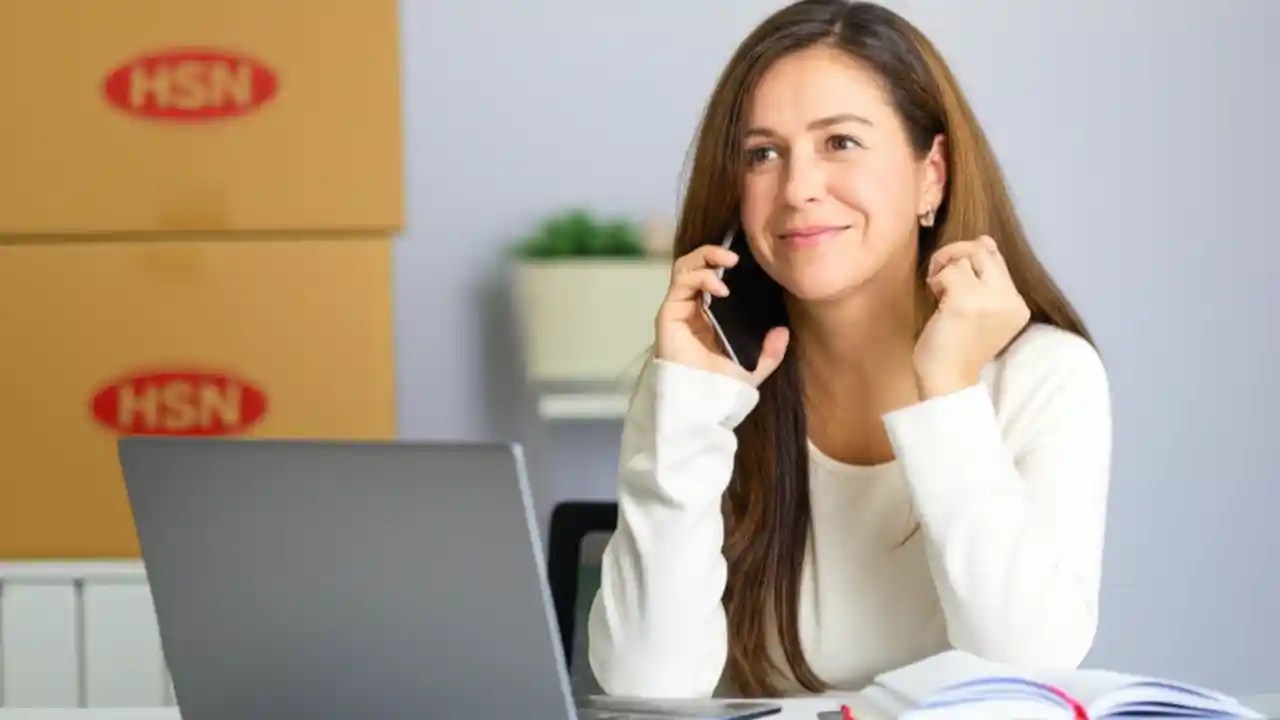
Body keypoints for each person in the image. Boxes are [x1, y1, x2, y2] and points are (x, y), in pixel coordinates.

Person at [585, 0, 1113, 701]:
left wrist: (950, 392)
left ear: (932, 173)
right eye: (763, 154)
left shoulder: (1045, 375)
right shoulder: (701, 384)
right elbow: (647, 689)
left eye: (841, 143)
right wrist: (687, 413)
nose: (798, 189)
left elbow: (1030, 664)